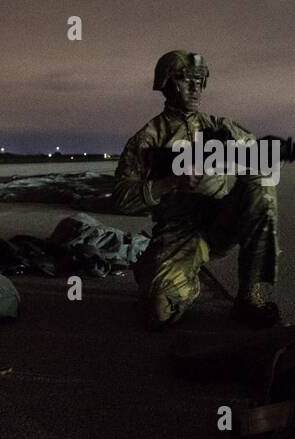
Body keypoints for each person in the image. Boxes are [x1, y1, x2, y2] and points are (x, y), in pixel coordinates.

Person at [112, 50, 283, 329]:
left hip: (220, 220)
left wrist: (272, 157)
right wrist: (170, 182)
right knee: (159, 311)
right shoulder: (148, 138)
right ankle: (166, 272)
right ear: (166, 84)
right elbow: (120, 198)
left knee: (262, 181)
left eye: (199, 81)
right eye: (184, 80)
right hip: (179, 231)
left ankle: (249, 296)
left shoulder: (219, 127)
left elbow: (259, 154)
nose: (195, 88)